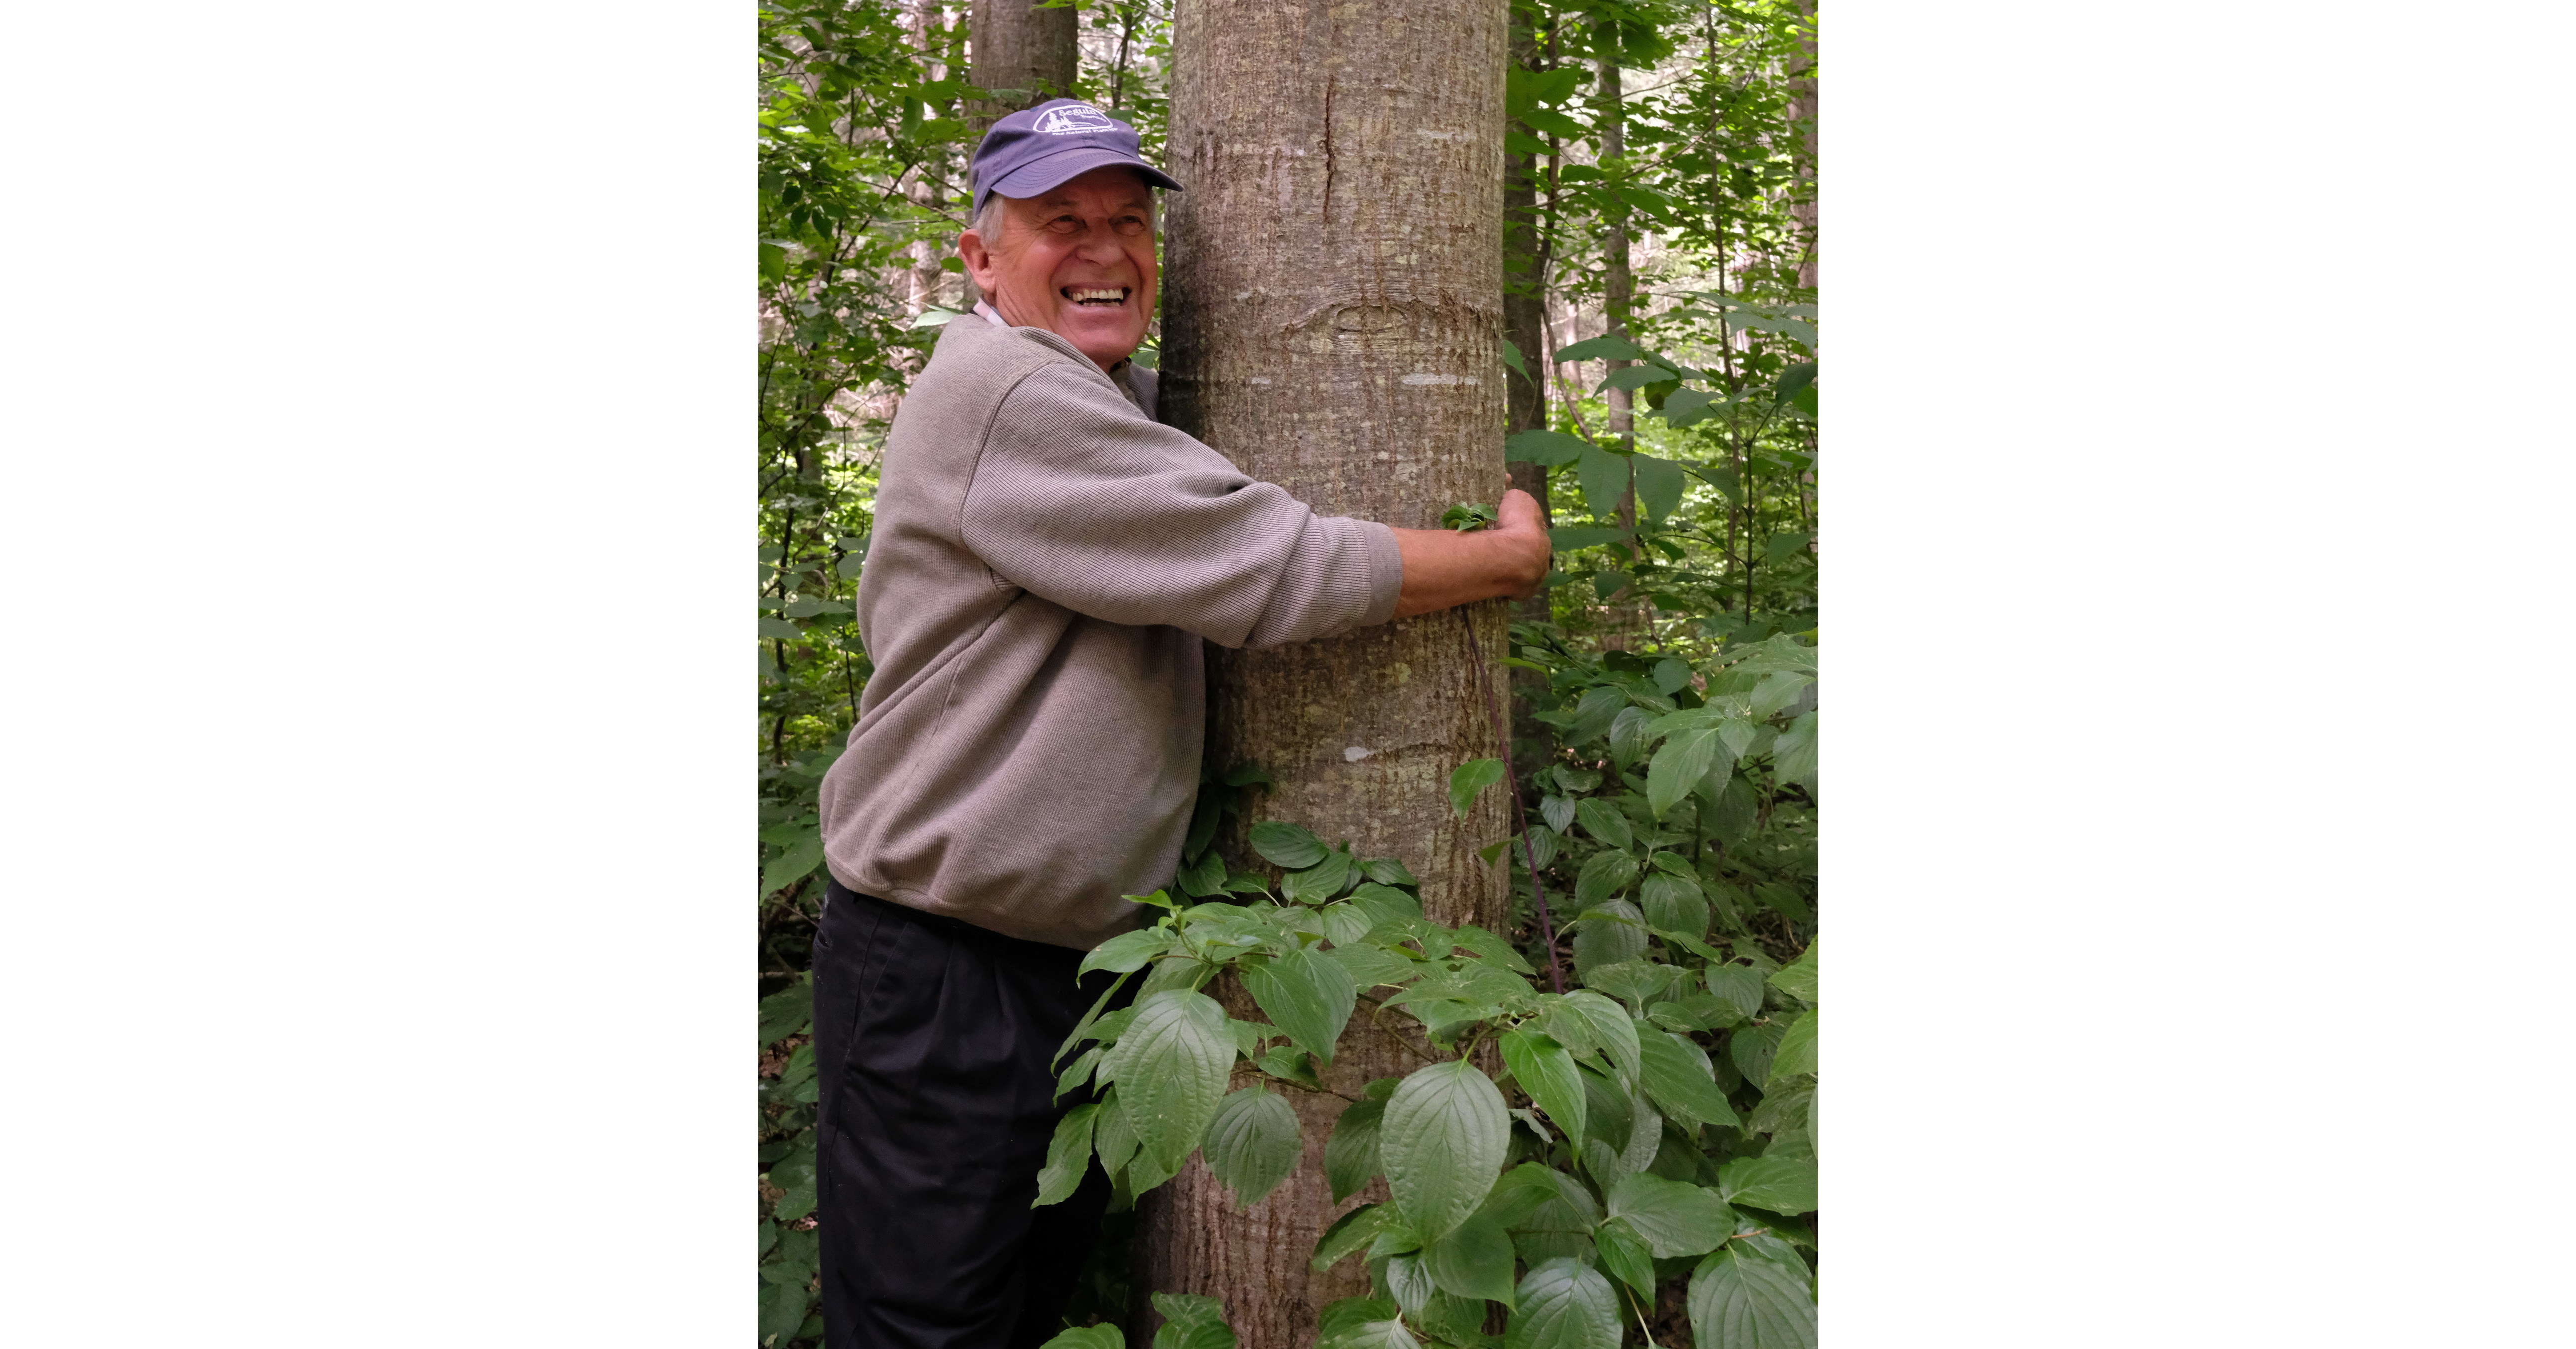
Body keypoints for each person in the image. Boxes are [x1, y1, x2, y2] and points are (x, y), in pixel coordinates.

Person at [808, 99, 1550, 1349]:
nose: (1104, 248)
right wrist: (1502, 562)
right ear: (979, 257)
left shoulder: (1113, 398)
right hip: (943, 966)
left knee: (1022, 1309)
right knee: (926, 1329)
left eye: (1126, 220)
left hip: (1064, 966)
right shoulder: (1007, 394)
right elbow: (1271, 566)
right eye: (1060, 223)